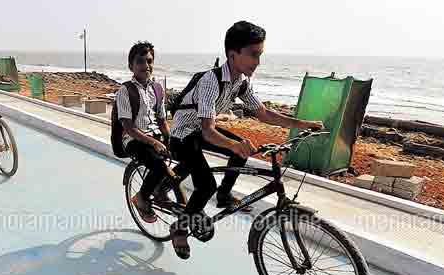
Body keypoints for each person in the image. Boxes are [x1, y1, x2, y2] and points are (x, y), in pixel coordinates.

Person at [167, 21, 324, 259]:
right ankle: (179, 228)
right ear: (233, 55)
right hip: (183, 135)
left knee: (240, 147)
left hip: (200, 132)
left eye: (260, 55)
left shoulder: (241, 82)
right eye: (253, 54)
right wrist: (234, 145)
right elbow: (208, 131)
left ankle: (224, 195)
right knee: (206, 184)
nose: (258, 62)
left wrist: (302, 124)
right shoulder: (211, 80)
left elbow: (264, 113)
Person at [115, 41, 171, 224]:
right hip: (134, 139)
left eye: (149, 61)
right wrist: (153, 142)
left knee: (187, 156)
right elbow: (129, 127)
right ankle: (140, 198)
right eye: (140, 61)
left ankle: (160, 188)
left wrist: (170, 139)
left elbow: (162, 120)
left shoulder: (158, 89)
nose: (146, 65)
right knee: (158, 166)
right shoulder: (125, 91)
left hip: (155, 135)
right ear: (131, 66)